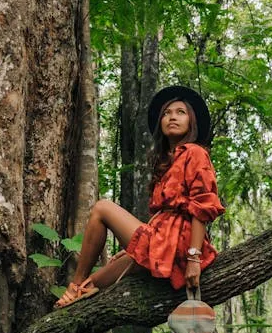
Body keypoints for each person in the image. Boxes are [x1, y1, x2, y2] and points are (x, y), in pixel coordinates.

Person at [54, 85, 225, 309]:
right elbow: (160, 219)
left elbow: (203, 205)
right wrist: (132, 248)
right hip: (161, 243)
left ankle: (73, 285)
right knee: (94, 284)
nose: (172, 117)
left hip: (180, 246)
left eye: (180, 112)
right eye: (167, 113)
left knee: (102, 208)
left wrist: (194, 257)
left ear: (191, 121)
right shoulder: (166, 162)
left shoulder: (195, 152)